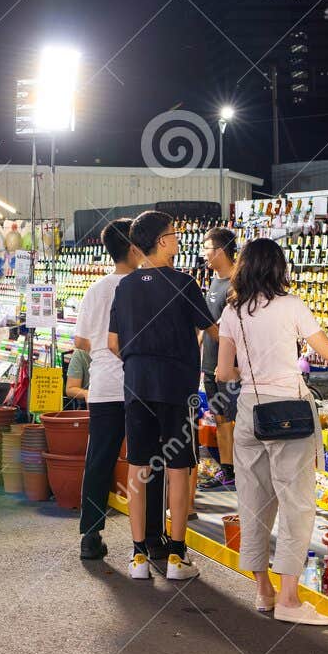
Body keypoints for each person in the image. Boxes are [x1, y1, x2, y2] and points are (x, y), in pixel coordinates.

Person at [216, 238, 328, 623]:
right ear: (278, 268)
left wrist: (250, 373)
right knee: (296, 504)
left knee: (254, 502)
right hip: (289, 413)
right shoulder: (292, 305)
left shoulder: (233, 311)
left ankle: (263, 591)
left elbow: (222, 373)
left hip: (250, 410)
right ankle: (289, 599)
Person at [108, 210, 214, 581]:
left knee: (138, 466)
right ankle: (176, 557)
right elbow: (213, 329)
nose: (178, 238)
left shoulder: (125, 286)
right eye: (174, 233)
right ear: (162, 240)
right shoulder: (184, 284)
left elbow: (112, 343)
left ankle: (138, 557)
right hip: (176, 385)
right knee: (178, 468)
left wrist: (141, 362)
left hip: (137, 384)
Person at [73, 218, 136, 561]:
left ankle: (91, 534)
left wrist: (100, 342)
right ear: (134, 247)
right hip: (140, 388)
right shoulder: (145, 284)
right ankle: (149, 537)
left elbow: (80, 341)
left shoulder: (96, 289)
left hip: (103, 386)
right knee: (144, 461)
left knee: (99, 460)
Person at [198, 227, 239, 493]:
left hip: (228, 368)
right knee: (221, 419)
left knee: (232, 420)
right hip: (209, 364)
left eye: (208, 249)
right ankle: (228, 472)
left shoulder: (238, 283)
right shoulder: (214, 281)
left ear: (222, 250)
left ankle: (238, 470)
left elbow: (233, 328)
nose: (204, 255)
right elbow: (206, 323)